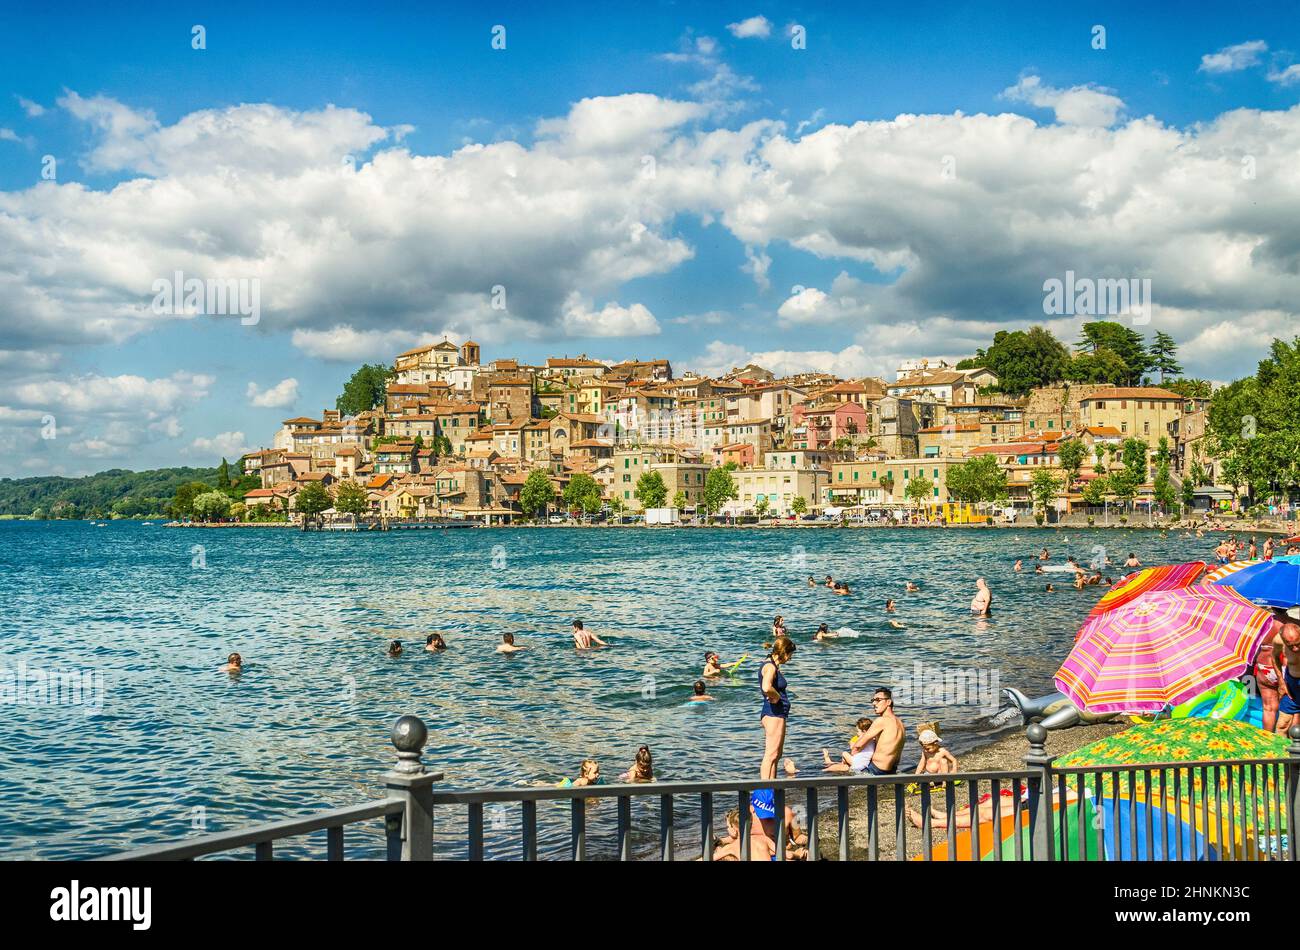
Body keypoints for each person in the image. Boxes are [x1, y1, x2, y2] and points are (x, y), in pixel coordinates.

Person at [759, 635, 795, 780]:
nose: (790, 659)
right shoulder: (769, 667)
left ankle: (771, 790)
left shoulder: (772, 665)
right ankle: (763, 794)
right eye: (790, 655)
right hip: (773, 713)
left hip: (779, 713)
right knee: (770, 754)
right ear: (784, 652)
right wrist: (777, 697)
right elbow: (766, 687)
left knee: (776, 755)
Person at [854, 688, 905, 775]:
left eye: (878, 700)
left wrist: (853, 756)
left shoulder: (881, 721)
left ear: (888, 702)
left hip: (876, 770)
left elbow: (858, 746)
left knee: (842, 769)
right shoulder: (900, 723)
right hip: (891, 770)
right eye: (873, 700)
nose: (874, 703)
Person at [1271, 611, 1300, 735]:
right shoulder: (1278, 641)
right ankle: (1280, 753)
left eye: (1298, 644)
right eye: (1291, 646)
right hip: (1291, 684)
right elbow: (1274, 657)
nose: (1295, 649)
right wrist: (1281, 682)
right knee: (1282, 725)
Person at [1252, 641, 1282, 734]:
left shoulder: (1258, 626)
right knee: (1294, 709)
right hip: (1282, 661)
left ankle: (1267, 741)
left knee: (1268, 708)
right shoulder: (1289, 627)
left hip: (1264, 663)